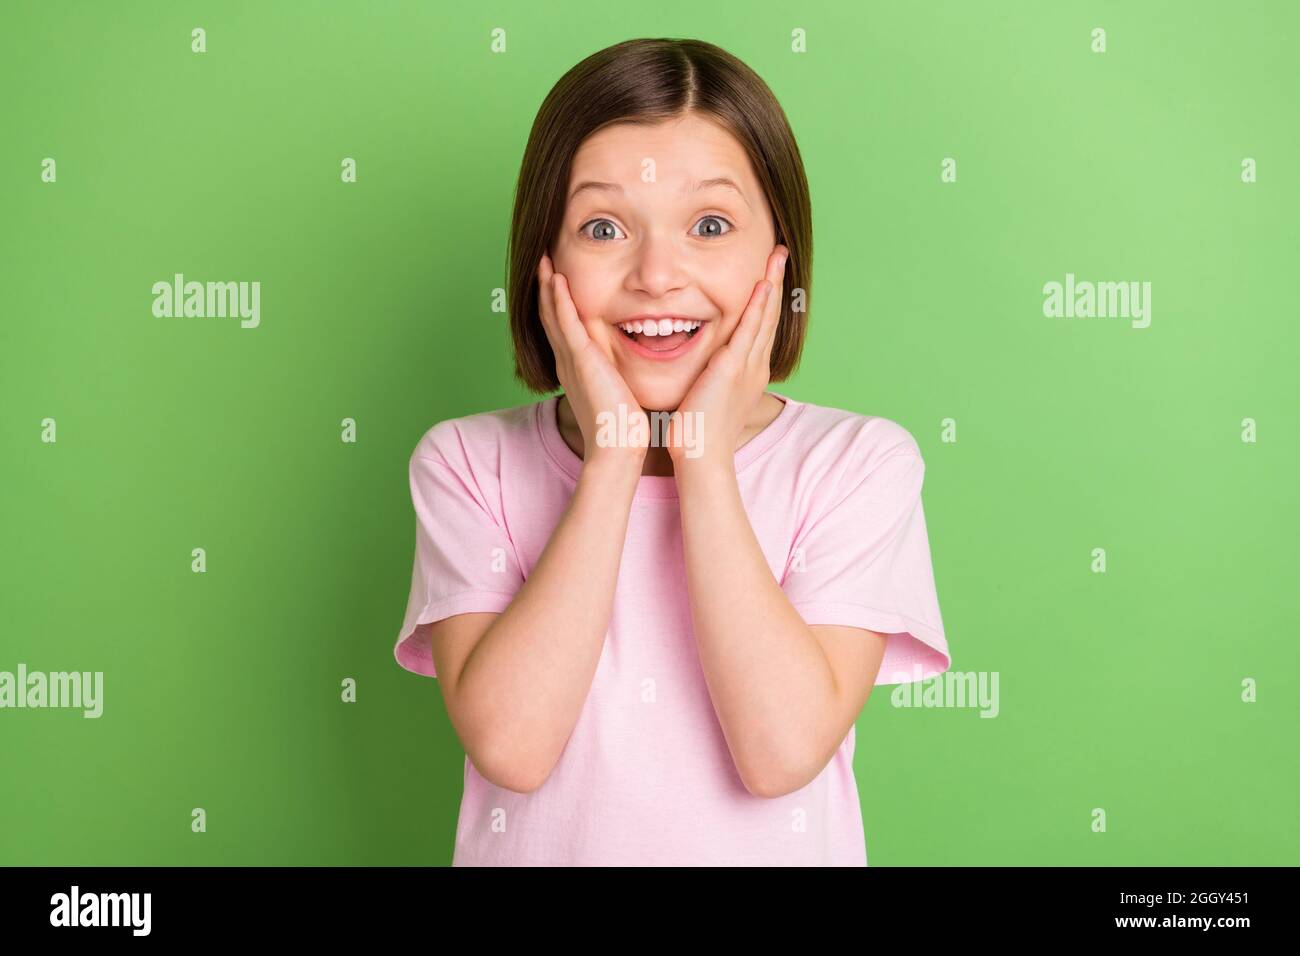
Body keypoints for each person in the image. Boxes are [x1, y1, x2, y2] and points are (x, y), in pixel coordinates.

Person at [394, 37, 950, 866]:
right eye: (605, 226)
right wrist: (613, 461)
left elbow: (780, 754)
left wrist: (703, 460)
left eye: (710, 224)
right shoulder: (467, 464)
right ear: (544, 261)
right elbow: (512, 748)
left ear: (779, 258)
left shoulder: (859, 463)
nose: (657, 274)